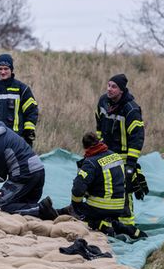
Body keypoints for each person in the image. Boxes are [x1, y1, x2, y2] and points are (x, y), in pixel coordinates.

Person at [60, 131, 146, 239]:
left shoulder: (90, 162)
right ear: (99, 142)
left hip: (100, 207)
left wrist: (76, 205)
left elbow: (78, 189)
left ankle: (100, 225)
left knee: (72, 213)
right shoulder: (116, 156)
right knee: (102, 212)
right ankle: (121, 226)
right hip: (119, 207)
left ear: (85, 147)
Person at [95, 73, 147, 231]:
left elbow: (137, 138)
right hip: (106, 154)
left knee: (125, 190)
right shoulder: (103, 102)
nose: (109, 89)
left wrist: (131, 165)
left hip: (124, 157)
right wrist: (97, 147)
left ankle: (127, 225)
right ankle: (108, 221)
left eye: (114, 87)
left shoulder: (131, 110)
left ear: (122, 91)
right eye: (108, 85)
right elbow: (99, 126)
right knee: (104, 187)